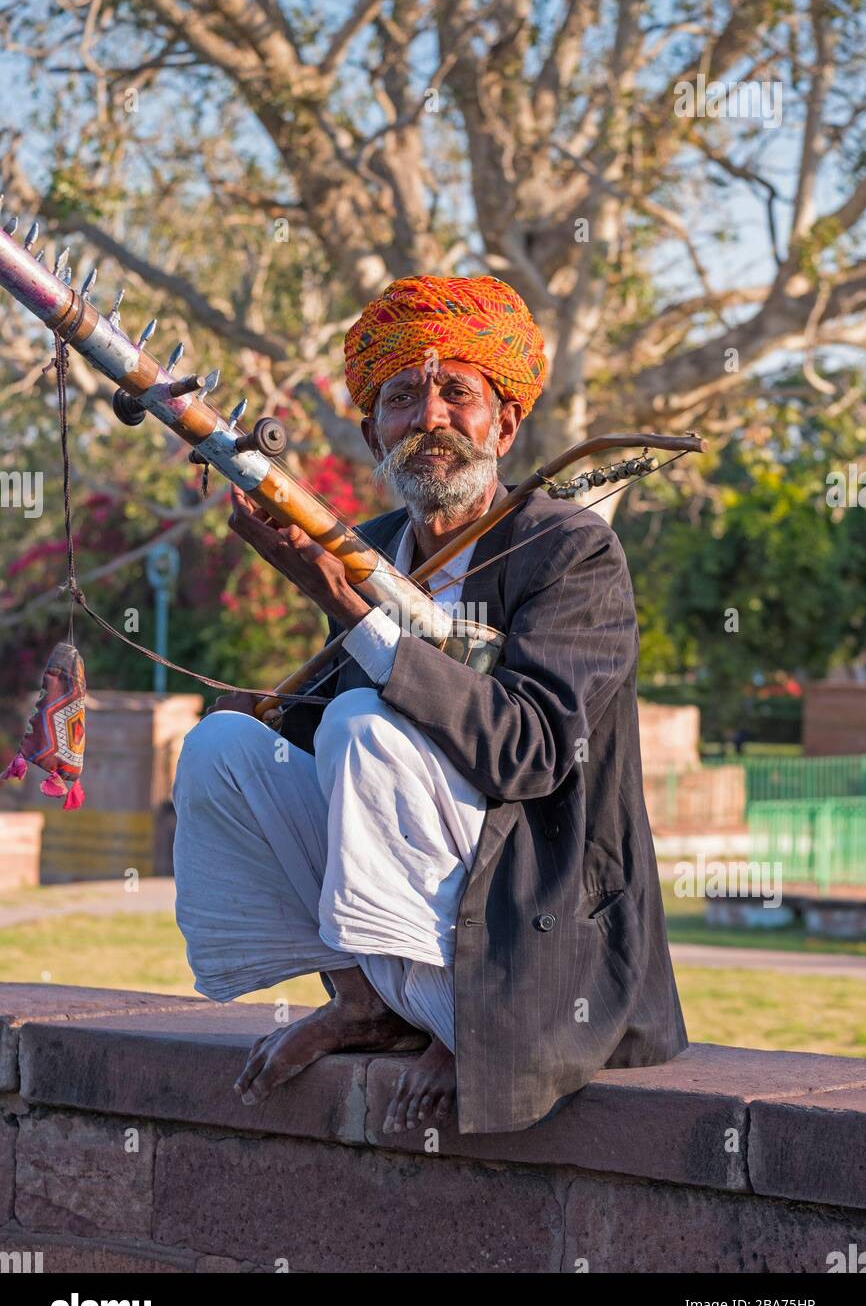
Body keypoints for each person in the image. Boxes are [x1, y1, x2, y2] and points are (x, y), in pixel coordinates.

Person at [172, 274, 689, 1137]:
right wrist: (283, 692)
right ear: (374, 429)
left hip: (541, 905)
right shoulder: (372, 545)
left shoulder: (571, 549)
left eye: (458, 393)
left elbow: (529, 751)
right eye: (403, 398)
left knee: (362, 726)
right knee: (221, 749)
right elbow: (319, 730)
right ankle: (368, 999)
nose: (431, 418)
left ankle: (467, 1021)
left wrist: (351, 611)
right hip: (435, 834)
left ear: (505, 424)